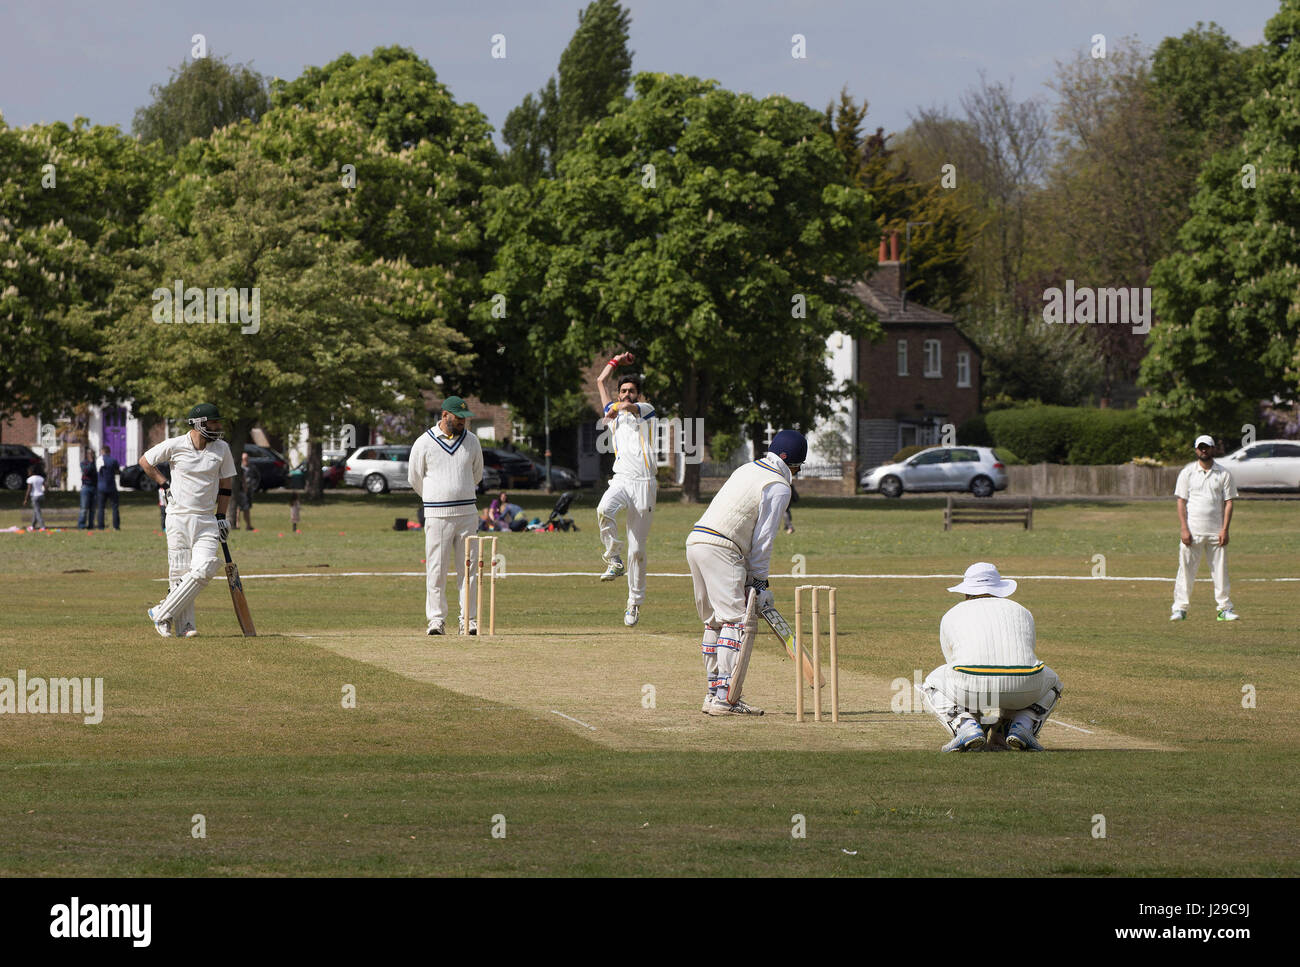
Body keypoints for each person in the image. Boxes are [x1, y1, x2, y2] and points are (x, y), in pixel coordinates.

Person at [686, 429, 804, 716]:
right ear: (793, 464)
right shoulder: (778, 485)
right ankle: (726, 698)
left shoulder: (747, 468)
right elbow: (764, 538)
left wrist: (751, 579)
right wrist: (760, 581)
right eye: (798, 468)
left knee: (714, 621)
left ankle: (714, 692)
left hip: (696, 541)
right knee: (735, 621)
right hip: (723, 547)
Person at [920, 562, 1063, 752]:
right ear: (1001, 591)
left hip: (969, 687)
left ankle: (965, 726)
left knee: (931, 683)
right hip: (1026, 686)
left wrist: (978, 716)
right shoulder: (1022, 610)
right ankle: (1023, 725)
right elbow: (1022, 658)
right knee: (1053, 682)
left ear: (966, 593)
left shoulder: (952, 613)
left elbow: (955, 666)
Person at [140, 403, 236, 638]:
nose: (218, 426)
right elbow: (145, 461)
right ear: (198, 423)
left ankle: (161, 612)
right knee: (179, 572)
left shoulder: (222, 448)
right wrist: (164, 484)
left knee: (205, 568)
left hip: (206, 520)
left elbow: (226, 486)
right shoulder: (175, 445)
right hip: (178, 517)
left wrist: (221, 517)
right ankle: (185, 626)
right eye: (213, 422)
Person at [408, 396, 484, 636]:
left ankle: (469, 619)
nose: (462, 422)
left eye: (465, 418)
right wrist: (434, 499)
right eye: (458, 418)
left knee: (469, 569)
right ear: (444, 415)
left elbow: (477, 475)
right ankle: (436, 620)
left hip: (467, 514)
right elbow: (414, 478)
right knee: (436, 569)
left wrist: (459, 491)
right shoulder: (424, 443)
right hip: (437, 515)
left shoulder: (472, 441)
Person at [594, 352, 656, 627]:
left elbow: (628, 408)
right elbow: (599, 380)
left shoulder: (646, 410)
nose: (627, 394)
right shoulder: (615, 412)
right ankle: (613, 558)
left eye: (631, 391)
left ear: (639, 395)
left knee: (638, 550)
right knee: (603, 509)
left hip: (644, 483)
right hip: (621, 478)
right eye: (623, 391)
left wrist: (617, 407)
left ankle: (634, 603)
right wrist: (617, 360)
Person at [1172, 434, 1239, 622]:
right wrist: (1184, 529)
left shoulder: (1224, 473)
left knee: (1220, 572)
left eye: (1207, 447)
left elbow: (1229, 503)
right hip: (1192, 532)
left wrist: (1225, 529)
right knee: (1185, 571)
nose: (1204, 450)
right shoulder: (1187, 473)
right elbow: (1181, 502)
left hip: (1216, 532)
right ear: (1195, 449)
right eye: (1200, 447)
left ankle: (1224, 609)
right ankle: (1180, 609)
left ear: (1213, 449)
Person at [95, 445, 121, 530]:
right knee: (114, 507)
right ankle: (116, 526)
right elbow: (118, 471)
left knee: (101, 508)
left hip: (101, 487)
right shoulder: (113, 461)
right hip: (111, 486)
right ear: (109, 452)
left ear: (102, 451)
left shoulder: (98, 461)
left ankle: (101, 526)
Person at [234, 452, 255, 531]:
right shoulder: (239, 468)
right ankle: (237, 524)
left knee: (245, 508)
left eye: (247, 459)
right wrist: (245, 487)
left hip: (245, 491)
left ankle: (248, 525)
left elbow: (256, 476)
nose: (246, 461)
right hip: (240, 491)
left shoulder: (251, 468)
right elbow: (243, 480)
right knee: (239, 508)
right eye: (244, 459)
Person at [77, 452, 97, 529]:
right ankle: (81, 525)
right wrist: (91, 463)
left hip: (94, 487)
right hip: (86, 487)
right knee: (84, 508)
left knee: (92, 509)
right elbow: (86, 471)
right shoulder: (83, 463)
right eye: (89, 454)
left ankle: (91, 525)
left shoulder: (96, 463)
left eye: (92, 454)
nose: (91, 456)